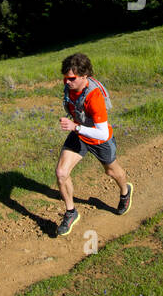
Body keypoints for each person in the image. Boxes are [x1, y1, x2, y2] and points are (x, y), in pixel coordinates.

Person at [54, 53, 133, 237]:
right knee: (61, 173)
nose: (67, 82)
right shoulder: (70, 87)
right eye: (65, 78)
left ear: (84, 76)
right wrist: (76, 127)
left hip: (98, 138)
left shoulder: (94, 96)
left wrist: (75, 126)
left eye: (71, 79)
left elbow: (103, 132)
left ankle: (125, 191)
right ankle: (71, 212)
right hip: (79, 133)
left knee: (112, 171)